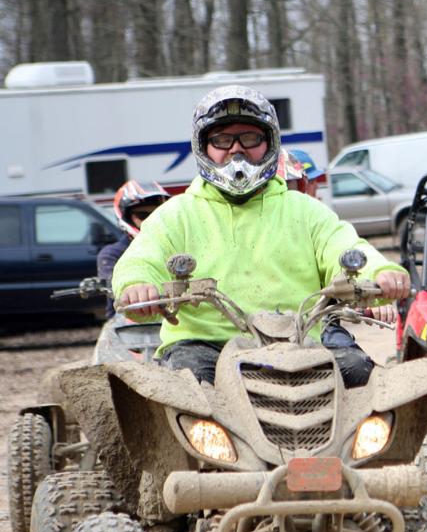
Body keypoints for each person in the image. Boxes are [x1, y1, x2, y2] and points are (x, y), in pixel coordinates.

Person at [113, 85, 410, 389]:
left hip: (300, 343)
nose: (236, 149)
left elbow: (345, 248)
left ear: (270, 142)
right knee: (183, 389)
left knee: (367, 381)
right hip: (204, 347)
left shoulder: (306, 210)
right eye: (222, 139)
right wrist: (136, 286)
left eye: (250, 137)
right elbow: (140, 258)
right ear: (203, 147)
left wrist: (380, 272)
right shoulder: (175, 215)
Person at [97, 180, 170, 316]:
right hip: (125, 324)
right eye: (143, 215)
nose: (151, 220)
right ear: (126, 217)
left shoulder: (176, 246)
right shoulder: (111, 254)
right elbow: (113, 288)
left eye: (158, 213)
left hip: (171, 320)